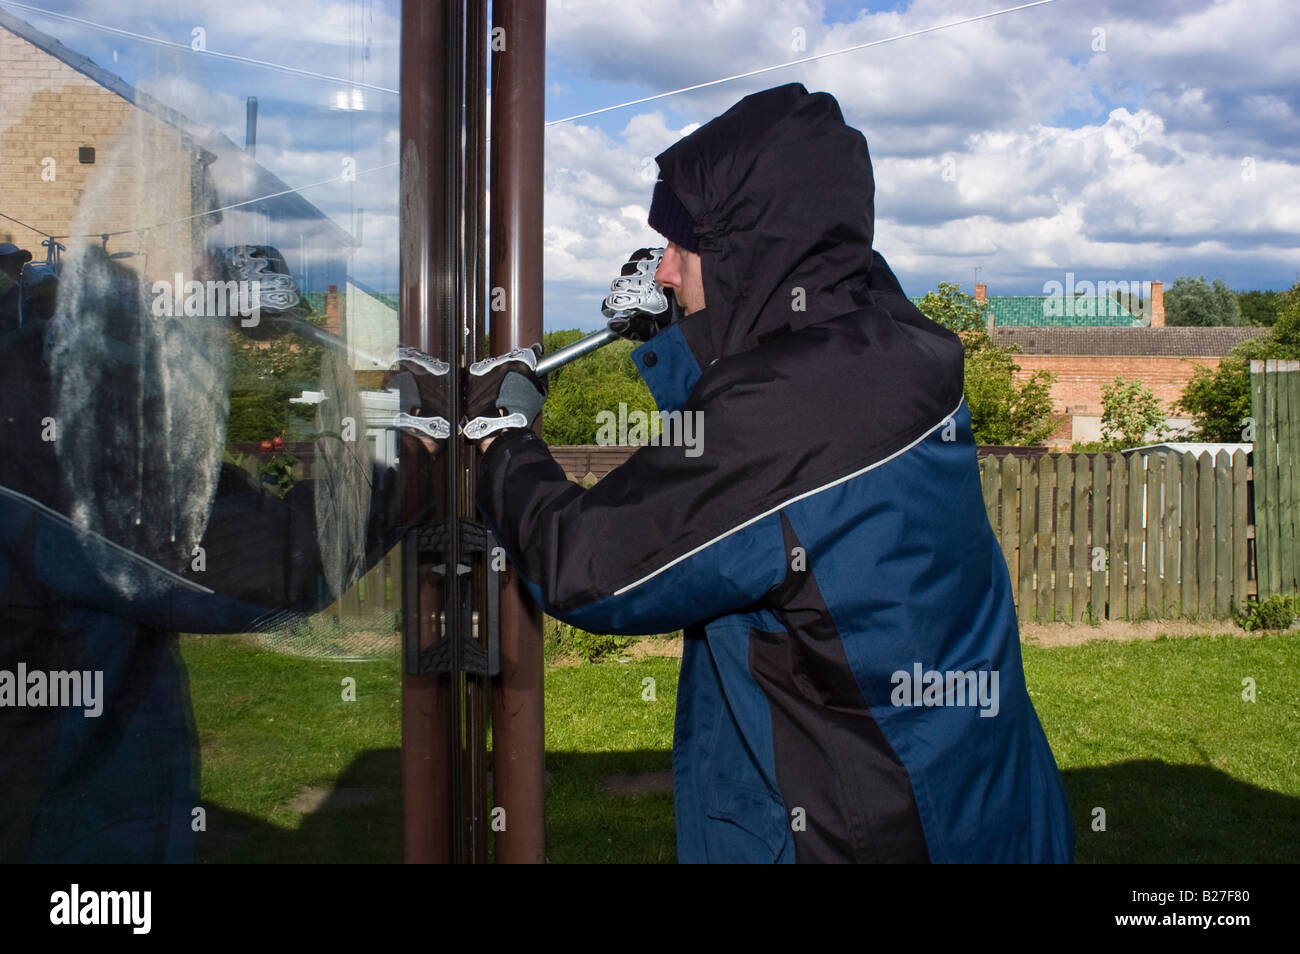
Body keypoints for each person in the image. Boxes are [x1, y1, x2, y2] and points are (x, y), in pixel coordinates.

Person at [457, 83, 1075, 862]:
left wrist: (500, 439)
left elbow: (591, 568)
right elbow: (754, 471)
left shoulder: (785, 417)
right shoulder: (897, 341)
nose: (667, 271)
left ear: (750, 255)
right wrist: (691, 329)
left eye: (683, 249)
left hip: (872, 829)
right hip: (988, 801)